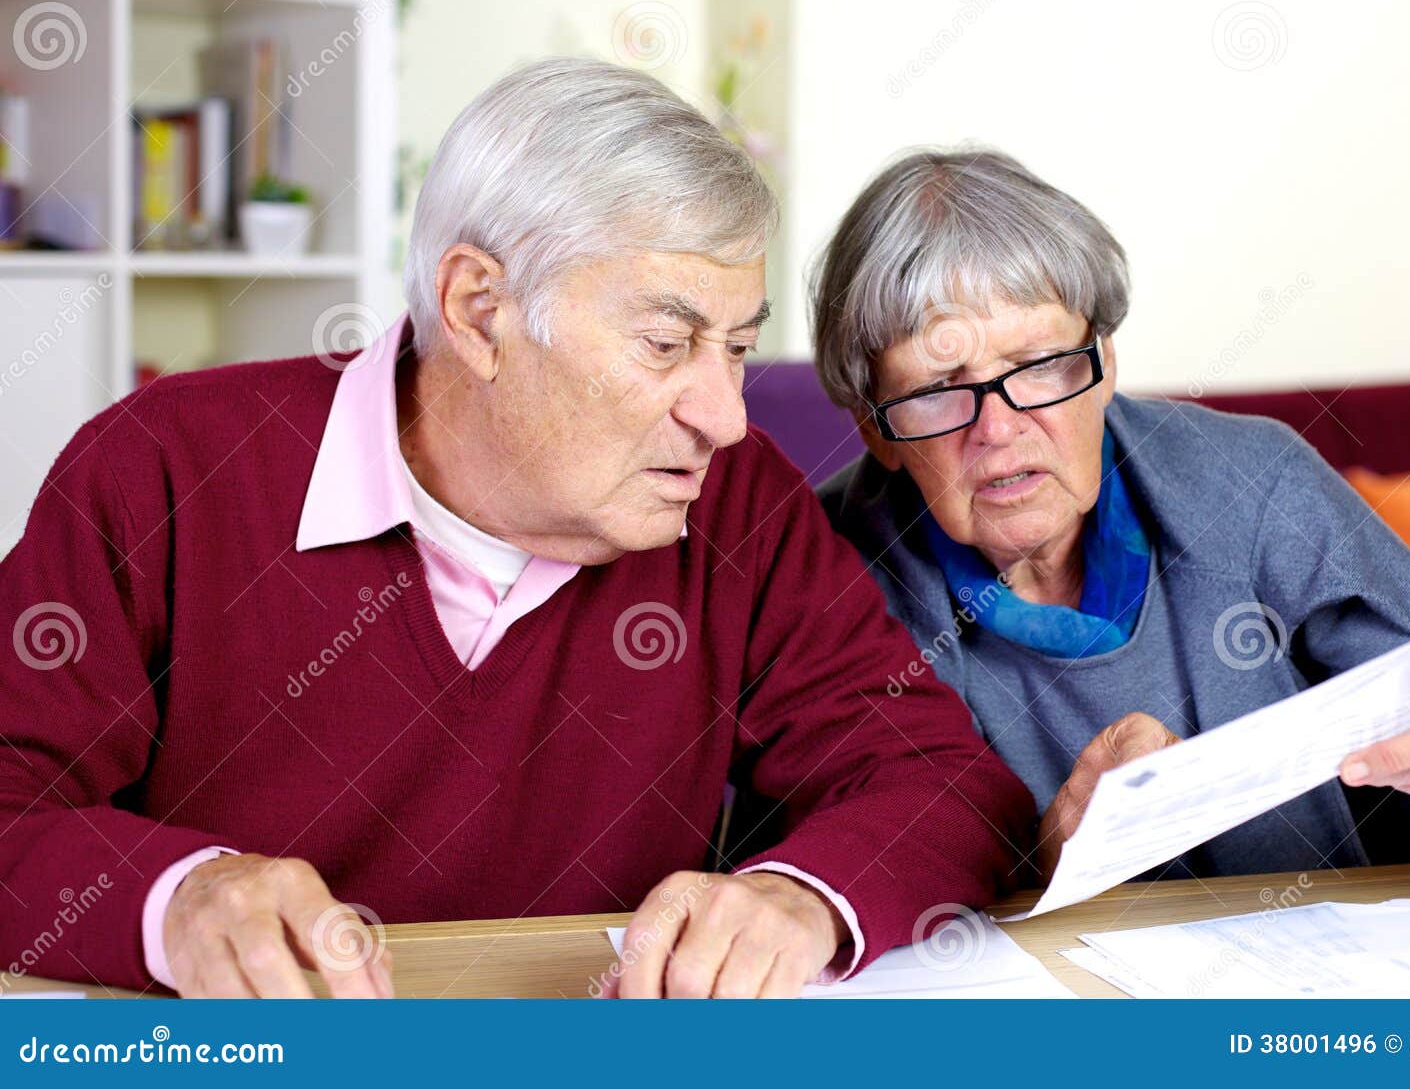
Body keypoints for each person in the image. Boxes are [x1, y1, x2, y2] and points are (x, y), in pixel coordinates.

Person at [0, 63, 1034, 999]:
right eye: (666, 342)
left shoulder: (738, 503)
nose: (724, 414)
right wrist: (175, 899)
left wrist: (806, 896)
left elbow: (941, 780)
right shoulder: (165, 468)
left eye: (736, 347)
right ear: (478, 309)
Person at [812, 146, 1410, 890]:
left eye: (1041, 365)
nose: (1000, 427)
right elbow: (817, 883)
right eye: (940, 389)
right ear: (875, 426)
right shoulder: (823, 568)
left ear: (1104, 363)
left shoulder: (1254, 483)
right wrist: (1046, 866)